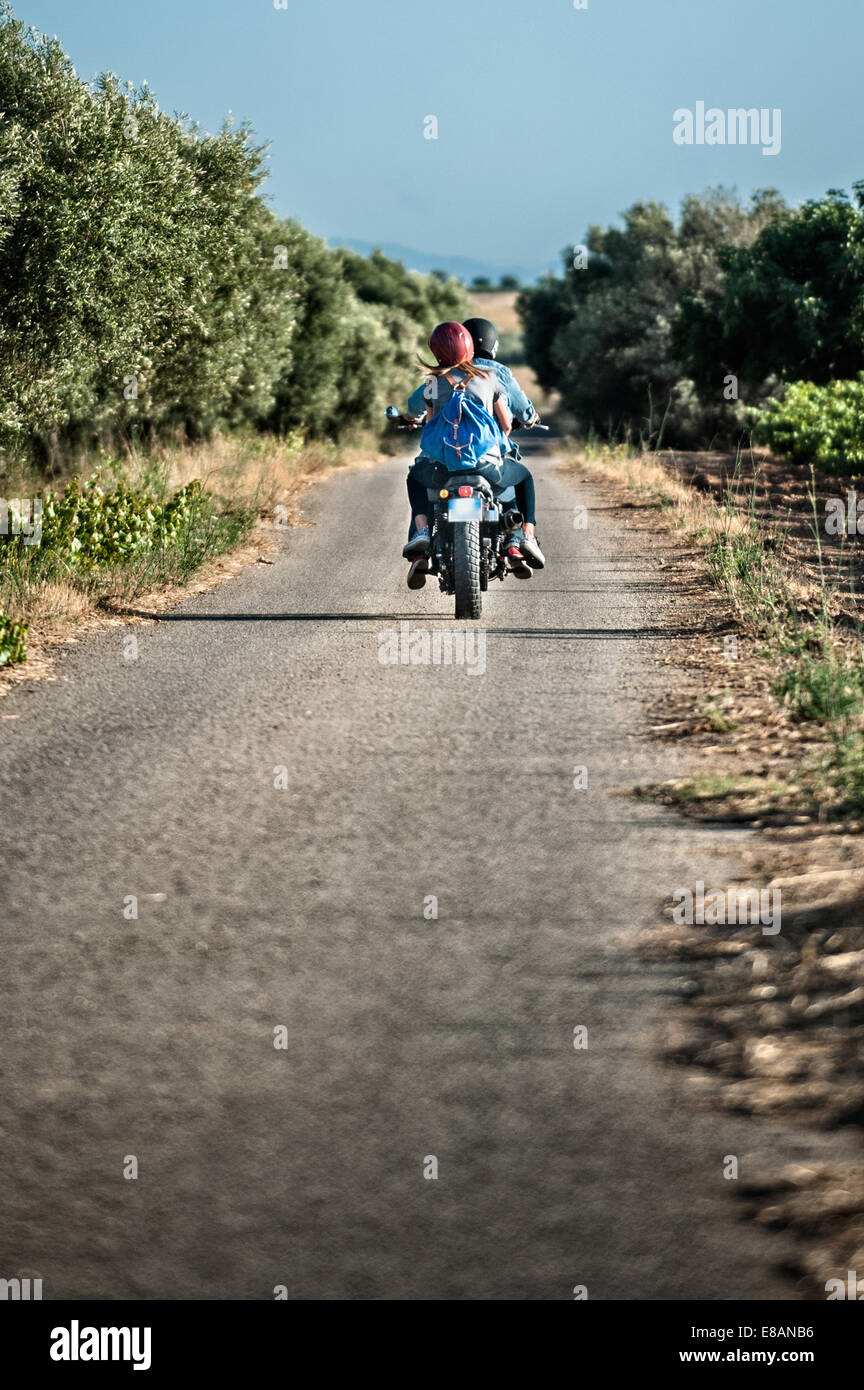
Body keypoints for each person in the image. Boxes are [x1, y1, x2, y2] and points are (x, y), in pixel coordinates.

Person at [401, 323, 544, 588]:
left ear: (436, 351)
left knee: (414, 478)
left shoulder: (432, 382)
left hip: (443, 468)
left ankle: (421, 532)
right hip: (486, 466)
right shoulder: (489, 376)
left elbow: (431, 425)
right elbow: (506, 425)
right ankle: (525, 536)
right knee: (523, 478)